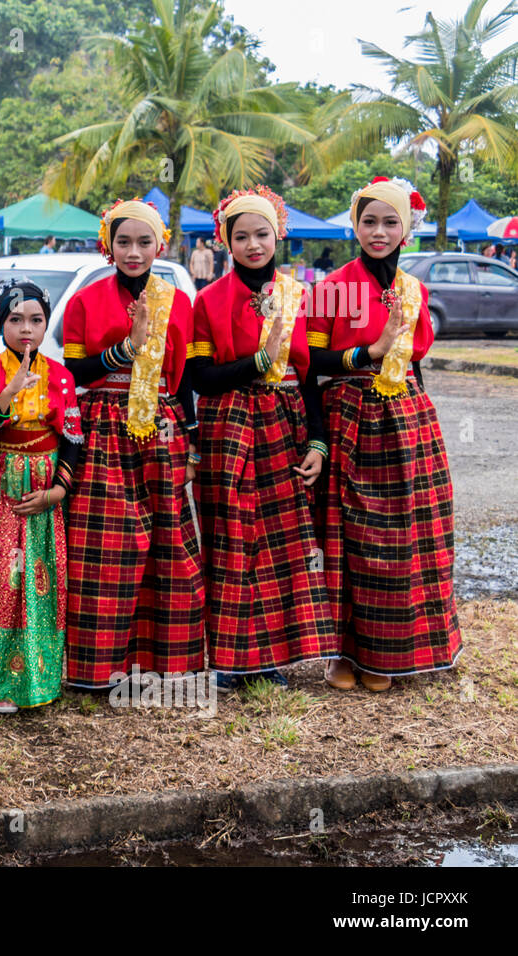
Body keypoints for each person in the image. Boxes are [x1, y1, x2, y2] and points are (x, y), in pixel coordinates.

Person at [309, 175, 461, 692]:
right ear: (355, 225)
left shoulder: (416, 290)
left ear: (405, 229)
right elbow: (311, 363)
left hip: (407, 423)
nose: (378, 231)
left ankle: (392, 653)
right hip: (349, 417)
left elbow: (417, 363)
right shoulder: (330, 288)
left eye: (389, 222)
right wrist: (367, 352)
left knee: (405, 537)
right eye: (368, 221)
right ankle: (344, 655)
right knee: (349, 537)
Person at [186, 185, 336, 690]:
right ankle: (229, 659)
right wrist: (257, 361)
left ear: (279, 235)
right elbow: (199, 377)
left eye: (262, 234)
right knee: (229, 536)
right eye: (241, 235)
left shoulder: (298, 295)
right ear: (226, 241)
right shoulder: (207, 301)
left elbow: (310, 374)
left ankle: (270, 656)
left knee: (282, 539)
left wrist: (317, 441)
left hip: (285, 421)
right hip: (228, 424)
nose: (253, 244)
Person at [59, 199, 204, 691]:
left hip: (160, 425)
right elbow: (73, 373)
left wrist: (188, 437)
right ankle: (95, 669)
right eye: (124, 242)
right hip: (102, 426)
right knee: (103, 547)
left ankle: (167, 665)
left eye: (144, 242)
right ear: (109, 244)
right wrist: (125, 350)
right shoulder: (86, 300)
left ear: (160, 244)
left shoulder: (179, 302)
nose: (134, 251)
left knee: (169, 543)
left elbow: (182, 381)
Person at [0, 279, 82, 714]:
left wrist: (58, 490)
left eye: (36, 320)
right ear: (2, 323)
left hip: (42, 489)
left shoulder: (62, 377)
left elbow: (72, 438)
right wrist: (9, 393)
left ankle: (36, 678)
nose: (26, 330)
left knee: (38, 581)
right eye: (15, 320)